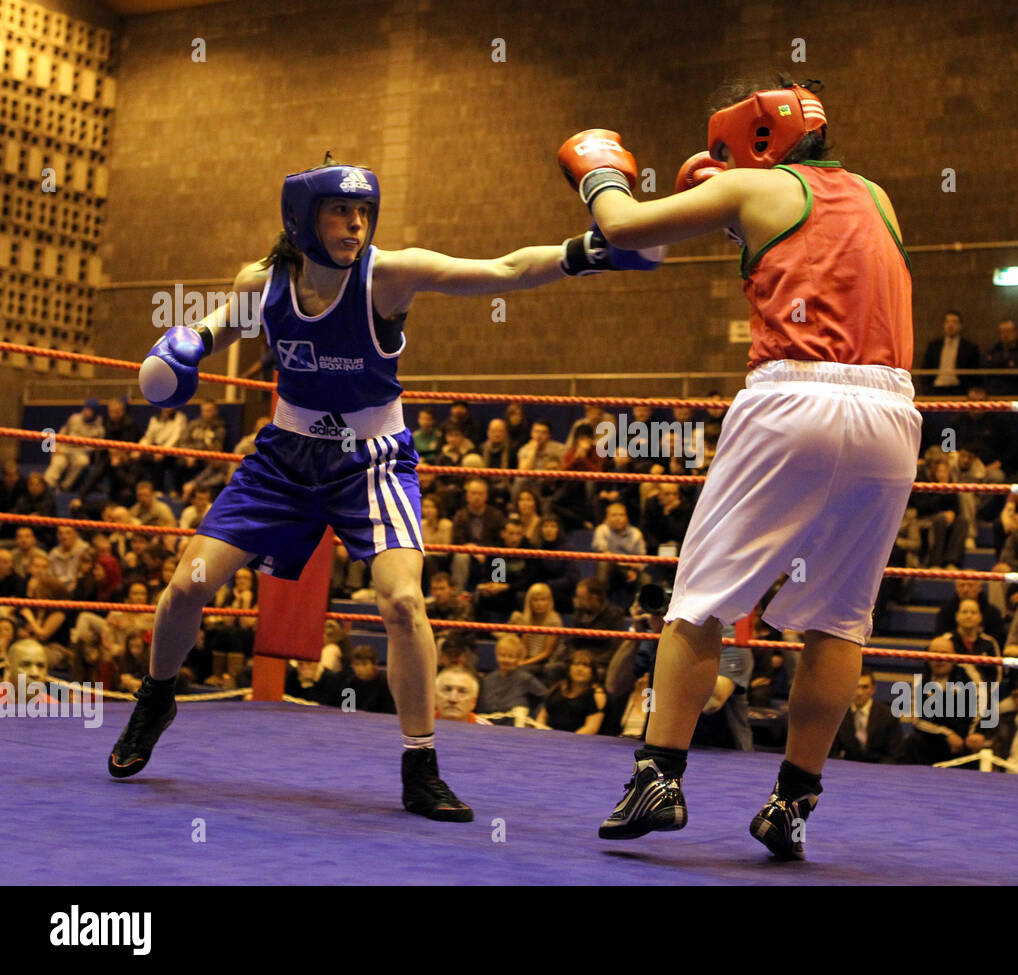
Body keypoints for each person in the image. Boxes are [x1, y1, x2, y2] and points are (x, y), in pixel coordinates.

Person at [107, 152, 662, 824]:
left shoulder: (388, 276)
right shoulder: (263, 280)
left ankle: (420, 764)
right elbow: (221, 321)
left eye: (363, 209)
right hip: (282, 458)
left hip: (369, 460)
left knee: (402, 600)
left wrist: (589, 251)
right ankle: (156, 698)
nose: (355, 222)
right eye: (340, 209)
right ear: (304, 219)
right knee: (189, 583)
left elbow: (502, 270)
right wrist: (187, 339)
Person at [562, 79, 921, 859]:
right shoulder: (876, 194)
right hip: (893, 415)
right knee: (839, 620)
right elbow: (819, 258)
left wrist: (600, 169)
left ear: (752, 140)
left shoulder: (750, 184)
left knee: (700, 598)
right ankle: (792, 804)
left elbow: (622, 229)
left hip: (794, 398)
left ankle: (659, 775)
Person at [830, 669, 905, 764]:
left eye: (865, 687)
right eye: (855, 687)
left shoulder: (888, 715)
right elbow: (832, 752)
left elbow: (895, 754)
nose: (859, 693)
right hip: (847, 770)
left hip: (880, 770)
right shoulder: (839, 714)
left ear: (873, 689)